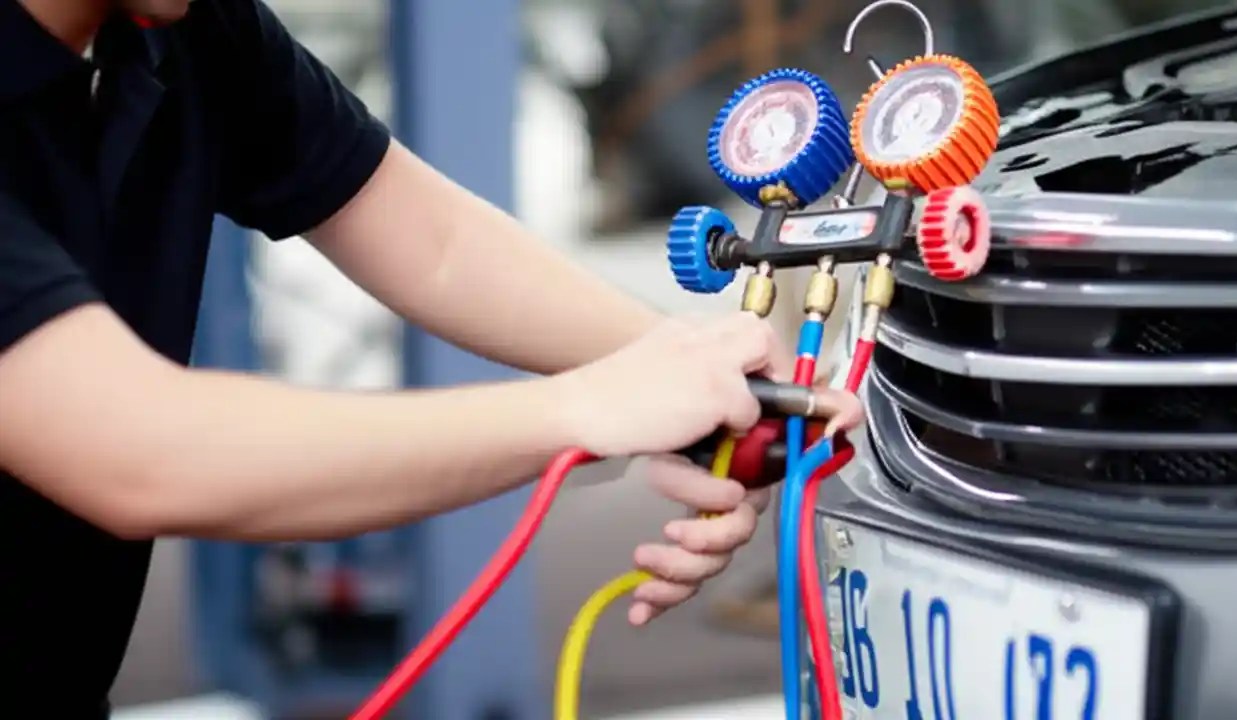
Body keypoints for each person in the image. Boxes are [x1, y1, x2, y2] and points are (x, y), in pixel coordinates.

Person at [0, 0, 861, 714]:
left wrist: (716, 389)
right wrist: (582, 407)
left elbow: (431, 242)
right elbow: (138, 452)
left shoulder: (176, 29)